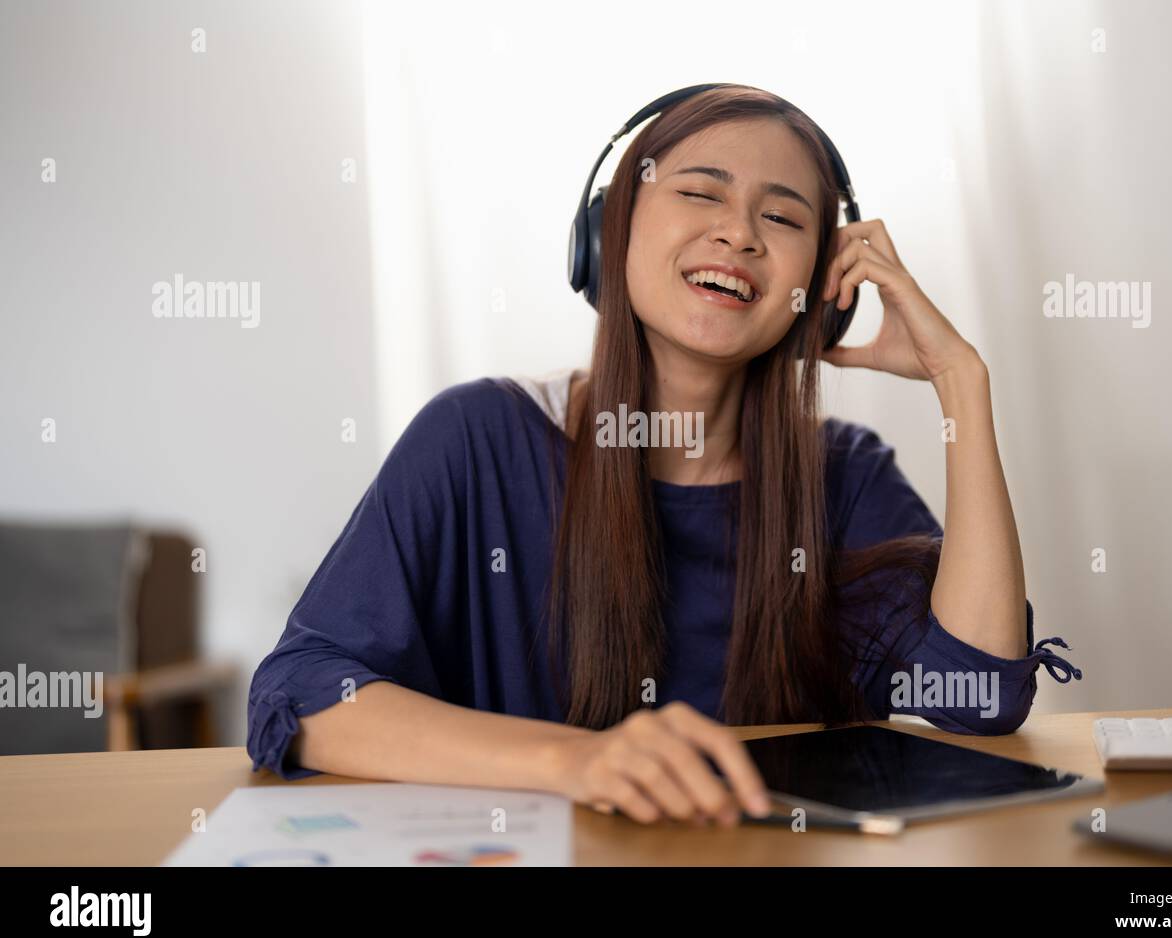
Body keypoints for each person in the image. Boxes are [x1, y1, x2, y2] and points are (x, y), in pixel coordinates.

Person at [247, 85, 1081, 828]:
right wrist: (573, 763)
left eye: (784, 218)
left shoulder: (844, 473)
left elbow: (982, 695)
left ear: (821, 292)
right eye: (699, 193)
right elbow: (301, 692)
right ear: (608, 234)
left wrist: (959, 381)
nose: (738, 234)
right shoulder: (476, 437)